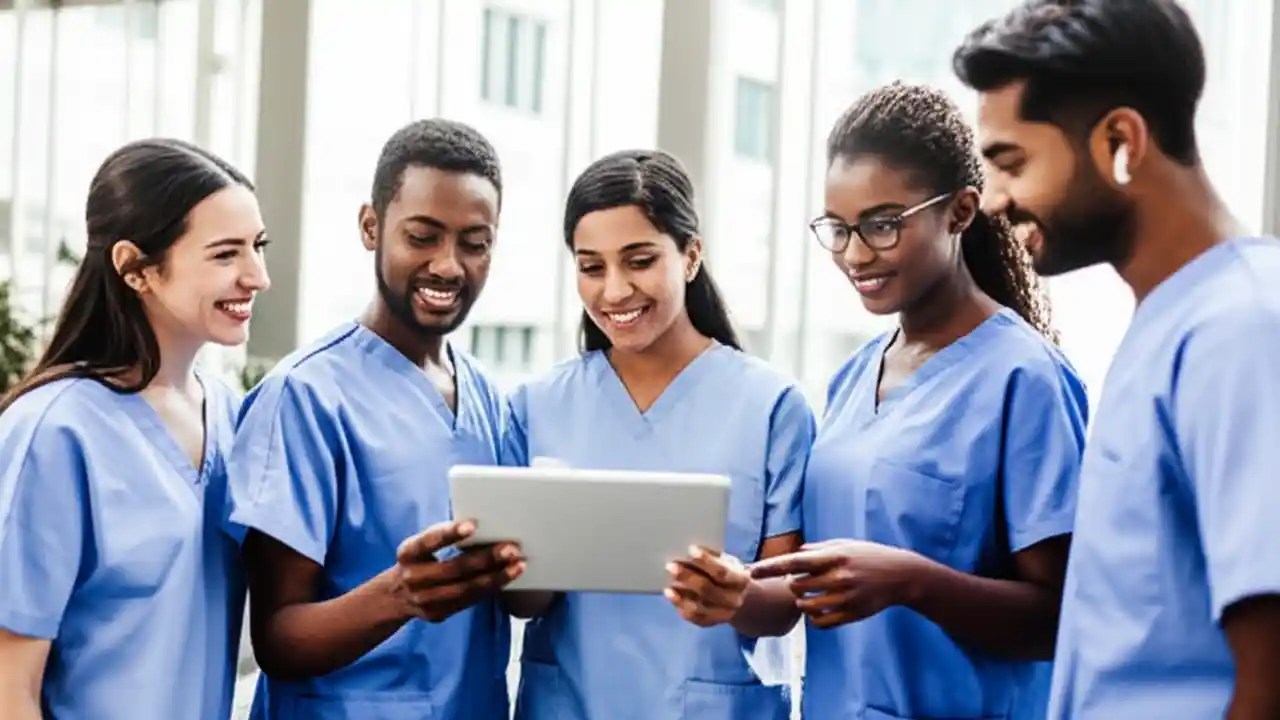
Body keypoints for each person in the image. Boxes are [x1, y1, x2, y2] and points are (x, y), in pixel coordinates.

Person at [953, 1, 1280, 717]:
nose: (995, 202)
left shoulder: (1241, 330)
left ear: (1120, 141)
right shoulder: (1169, 323)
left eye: (1012, 162)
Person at [749, 82, 1088, 720]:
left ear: (960, 212)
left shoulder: (1025, 379)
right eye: (839, 229)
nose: (855, 254)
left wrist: (911, 581)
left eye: (882, 226)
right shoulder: (854, 377)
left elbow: (1063, 618)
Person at [224, 119, 524, 719]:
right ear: (371, 226)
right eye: (423, 237)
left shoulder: (488, 399)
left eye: (474, 243)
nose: (448, 266)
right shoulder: (305, 396)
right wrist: (398, 596)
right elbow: (277, 639)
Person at [502, 149, 814, 719]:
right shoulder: (535, 406)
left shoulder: (772, 406)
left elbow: (785, 603)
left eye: (639, 261)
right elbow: (524, 604)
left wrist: (736, 596)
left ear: (691, 256)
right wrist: (526, 566)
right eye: (591, 267)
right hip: (568, 704)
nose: (614, 291)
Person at [0, 139, 271, 719]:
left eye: (258, 246)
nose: (257, 276)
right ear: (135, 268)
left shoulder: (235, 418)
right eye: (226, 254)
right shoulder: (54, 432)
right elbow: (7, 686)